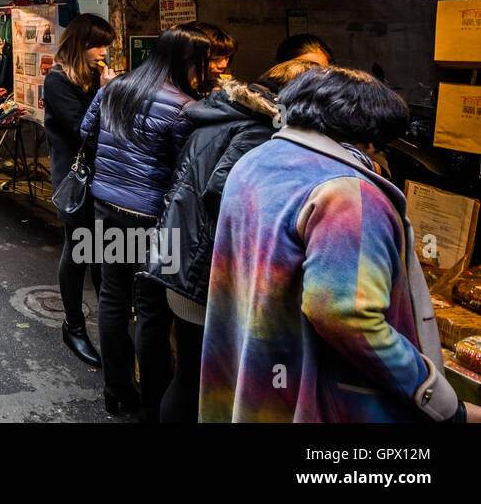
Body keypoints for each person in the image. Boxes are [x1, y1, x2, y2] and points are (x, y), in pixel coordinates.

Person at [200, 66, 478, 424]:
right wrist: (437, 399)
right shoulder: (346, 193)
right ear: (371, 137)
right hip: (323, 401)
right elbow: (348, 315)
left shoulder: (254, 162)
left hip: (260, 382)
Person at [137, 57, 317, 423]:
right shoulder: (256, 130)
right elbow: (220, 192)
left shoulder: (222, 116)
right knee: (198, 377)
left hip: (183, 253)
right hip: (203, 268)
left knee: (190, 371)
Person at [79, 23, 213, 420]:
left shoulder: (115, 87)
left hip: (105, 204)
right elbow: (184, 167)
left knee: (112, 296)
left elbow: (86, 132)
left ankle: (116, 388)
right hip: (153, 218)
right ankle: (153, 399)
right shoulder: (183, 107)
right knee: (153, 308)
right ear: (187, 61)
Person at [41, 14, 117, 368]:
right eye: (97, 45)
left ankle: (111, 327)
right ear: (79, 44)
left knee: (105, 252)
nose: (103, 52)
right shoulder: (57, 80)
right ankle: (73, 326)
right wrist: (107, 92)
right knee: (79, 249)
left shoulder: (93, 77)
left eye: (106, 45)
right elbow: (81, 131)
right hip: (75, 181)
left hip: (104, 178)